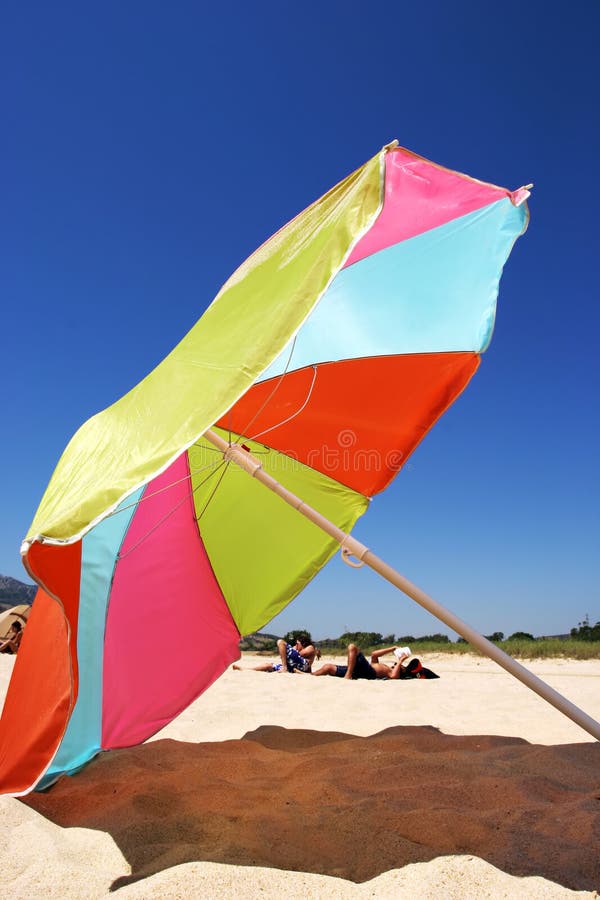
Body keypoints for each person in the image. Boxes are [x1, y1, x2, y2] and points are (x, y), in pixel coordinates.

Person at [312, 643, 439, 680]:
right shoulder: (391, 668)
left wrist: (400, 661)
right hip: (361, 670)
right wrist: (393, 648)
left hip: (368, 672)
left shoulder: (395, 672)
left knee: (352, 648)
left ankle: (348, 675)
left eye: (396, 665)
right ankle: (310, 675)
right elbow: (374, 654)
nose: (394, 664)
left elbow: (394, 676)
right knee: (328, 667)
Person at [233, 634, 321, 674]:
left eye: (297, 643)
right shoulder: (301, 649)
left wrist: (289, 651)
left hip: (302, 666)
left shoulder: (311, 648)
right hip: (295, 667)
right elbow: (295, 653)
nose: (296, 645)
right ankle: (245, 669)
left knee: (280, 642)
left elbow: (300, 654)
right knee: (269, 665)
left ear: (303, 643)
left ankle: (284, 667)